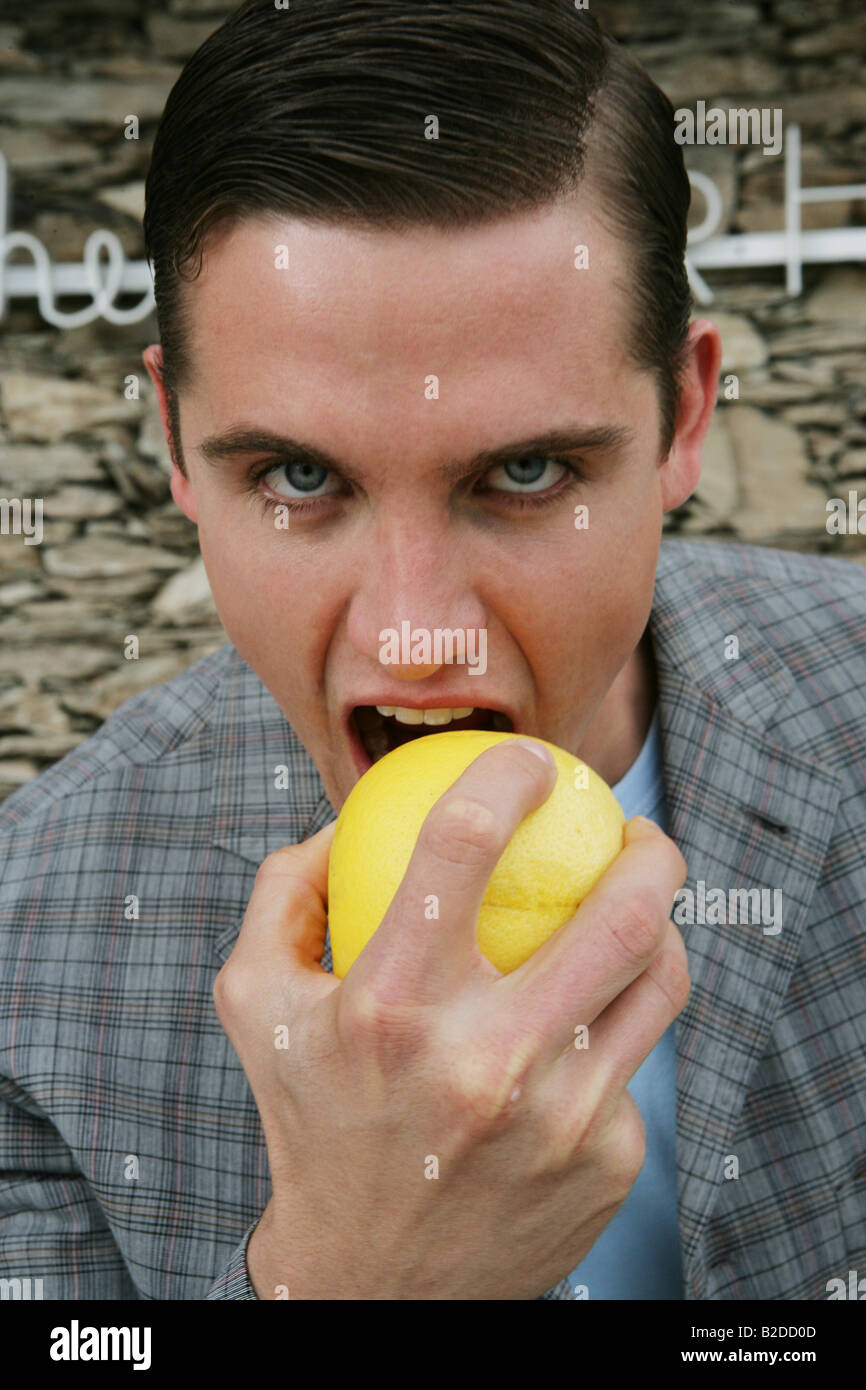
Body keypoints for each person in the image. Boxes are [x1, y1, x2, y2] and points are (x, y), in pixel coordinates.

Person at [1, 0, 863, 1301]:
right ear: (174, 445)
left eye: (523, 471)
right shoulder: (26, 949)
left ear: (685, 413)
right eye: (299, 473)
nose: (414, 631)